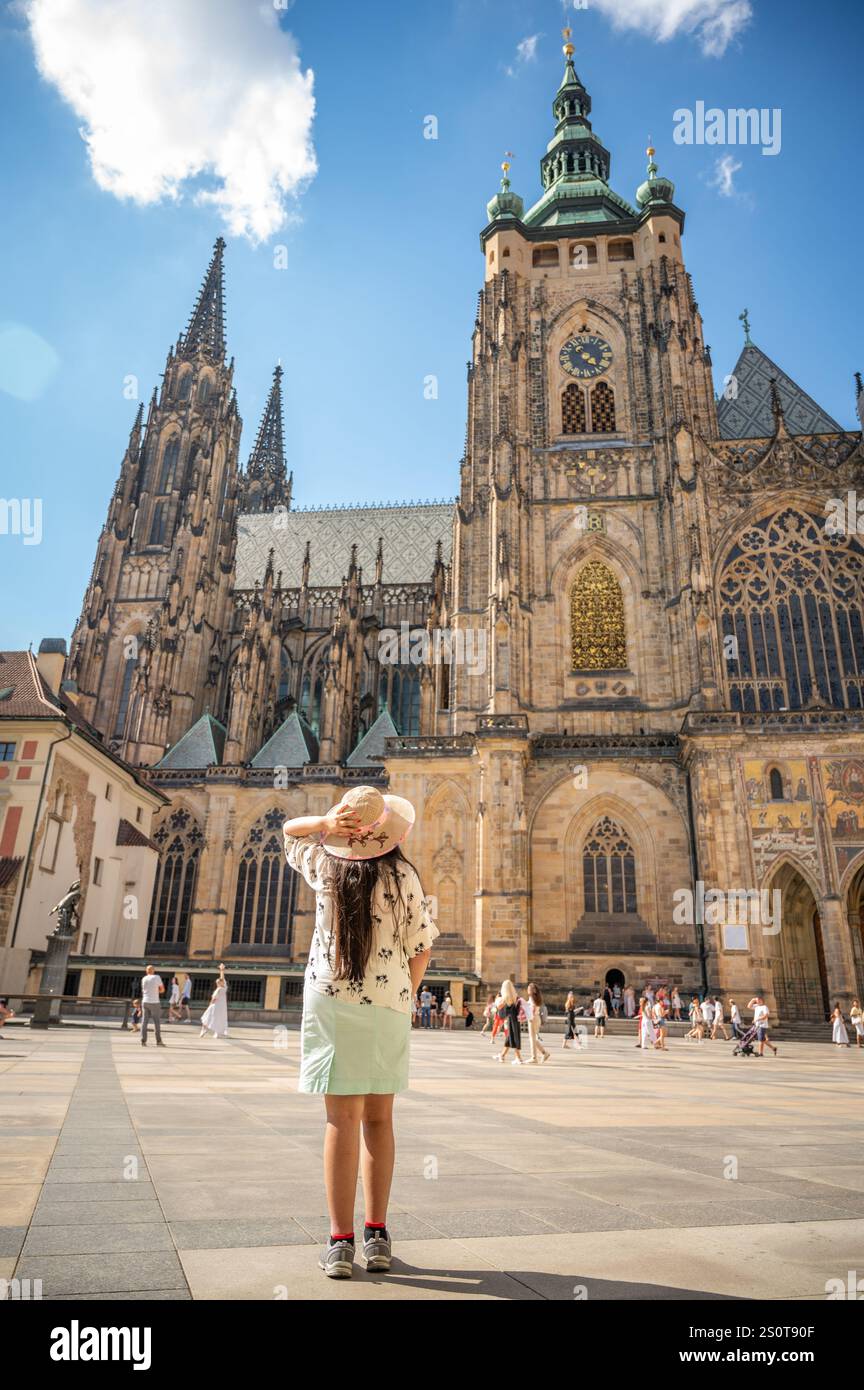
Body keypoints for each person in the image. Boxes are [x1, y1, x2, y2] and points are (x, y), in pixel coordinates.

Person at [283, 784, 438, 1279]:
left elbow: (287, 833)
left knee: (340, 1120)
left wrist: (326, 824)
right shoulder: (403, 876)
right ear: (391, 834)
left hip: (331, 998)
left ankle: (340, 1241)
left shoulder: (325, 867)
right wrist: (404, 997)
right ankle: (377, 1235)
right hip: (388, 1001)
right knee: (379, 1119)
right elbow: (422, 948)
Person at [496, 980, 524, 1065]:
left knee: (511, 1038)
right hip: (514, 1019)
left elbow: (499, 1009)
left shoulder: (509, 998)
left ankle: (502, 1055)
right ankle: (518, 1058)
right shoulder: (514, 996)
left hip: (512, 1019)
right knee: (514, 1037)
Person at [140, 965, 166, 1047]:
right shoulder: (156, 977)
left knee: (144, 1021)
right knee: (156, 1022)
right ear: (153, 971)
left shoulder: (144, 978)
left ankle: (143, 1040)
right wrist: (157, 990)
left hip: (145, 1001)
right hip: (154, 1002)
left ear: (146, 971)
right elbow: (162, 989)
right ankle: (158, 1041)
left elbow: (143, 990)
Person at [525, 983, 551, 1065]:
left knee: (532, 1038)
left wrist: (530, 1017)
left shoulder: (532, 998)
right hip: (536, 1018)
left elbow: (532, 1007)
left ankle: (534, 1057)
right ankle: (544, 1053)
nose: (527, 990)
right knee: (533, 1038)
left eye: (529, 989)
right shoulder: (535, 997)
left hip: (533, 1018)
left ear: (533, 991)